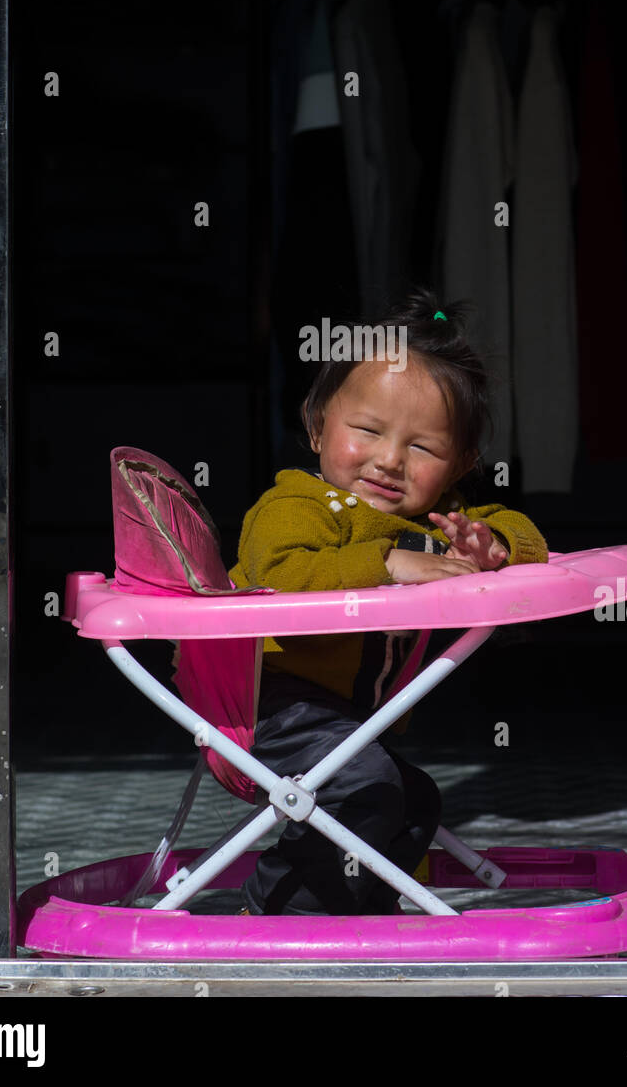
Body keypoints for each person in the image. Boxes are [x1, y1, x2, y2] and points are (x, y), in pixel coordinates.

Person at [229, 288, 549, 915]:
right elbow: (283, 572)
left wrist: (494, 548)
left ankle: (361, 910)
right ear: (318, 423)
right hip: (265, 699)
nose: (389, 460)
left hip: (343, 718)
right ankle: (272, 911)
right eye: (368, 431)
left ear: (462, 463)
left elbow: (525, 531)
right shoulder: (296, 506)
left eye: (424, 448)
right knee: (366, 789)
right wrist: (388, 564)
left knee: (415, 798)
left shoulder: (440, 519)